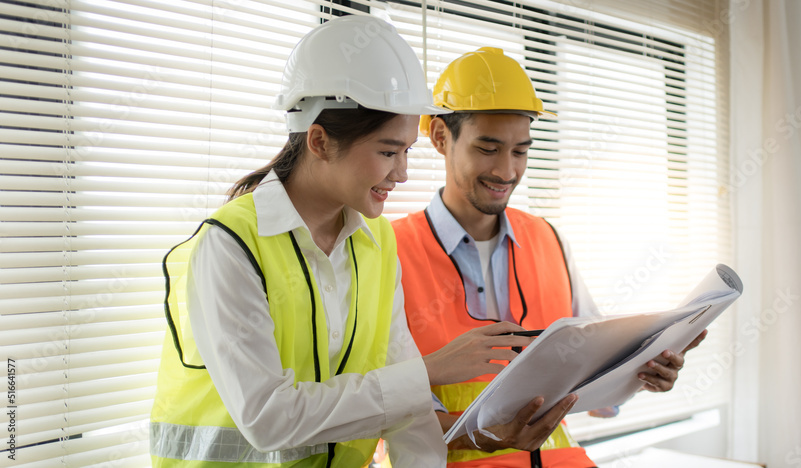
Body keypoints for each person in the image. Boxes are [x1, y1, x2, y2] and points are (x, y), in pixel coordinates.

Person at [149, 18, 534, 467]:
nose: (402, 173)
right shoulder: (231, 246)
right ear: (319, 141)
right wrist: (429, 371)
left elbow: (407, 413)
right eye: (388, 152)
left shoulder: (376, 241)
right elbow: (269, 419)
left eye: (407, 151)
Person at [392, 47, 708, 467]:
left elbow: (596, 380)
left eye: (521, 151)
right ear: (438, 137)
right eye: (488, 149)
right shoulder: (388, 252)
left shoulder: (549, 239)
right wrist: (488, 435)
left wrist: (642, 374)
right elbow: (390, 414)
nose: (506, 171)